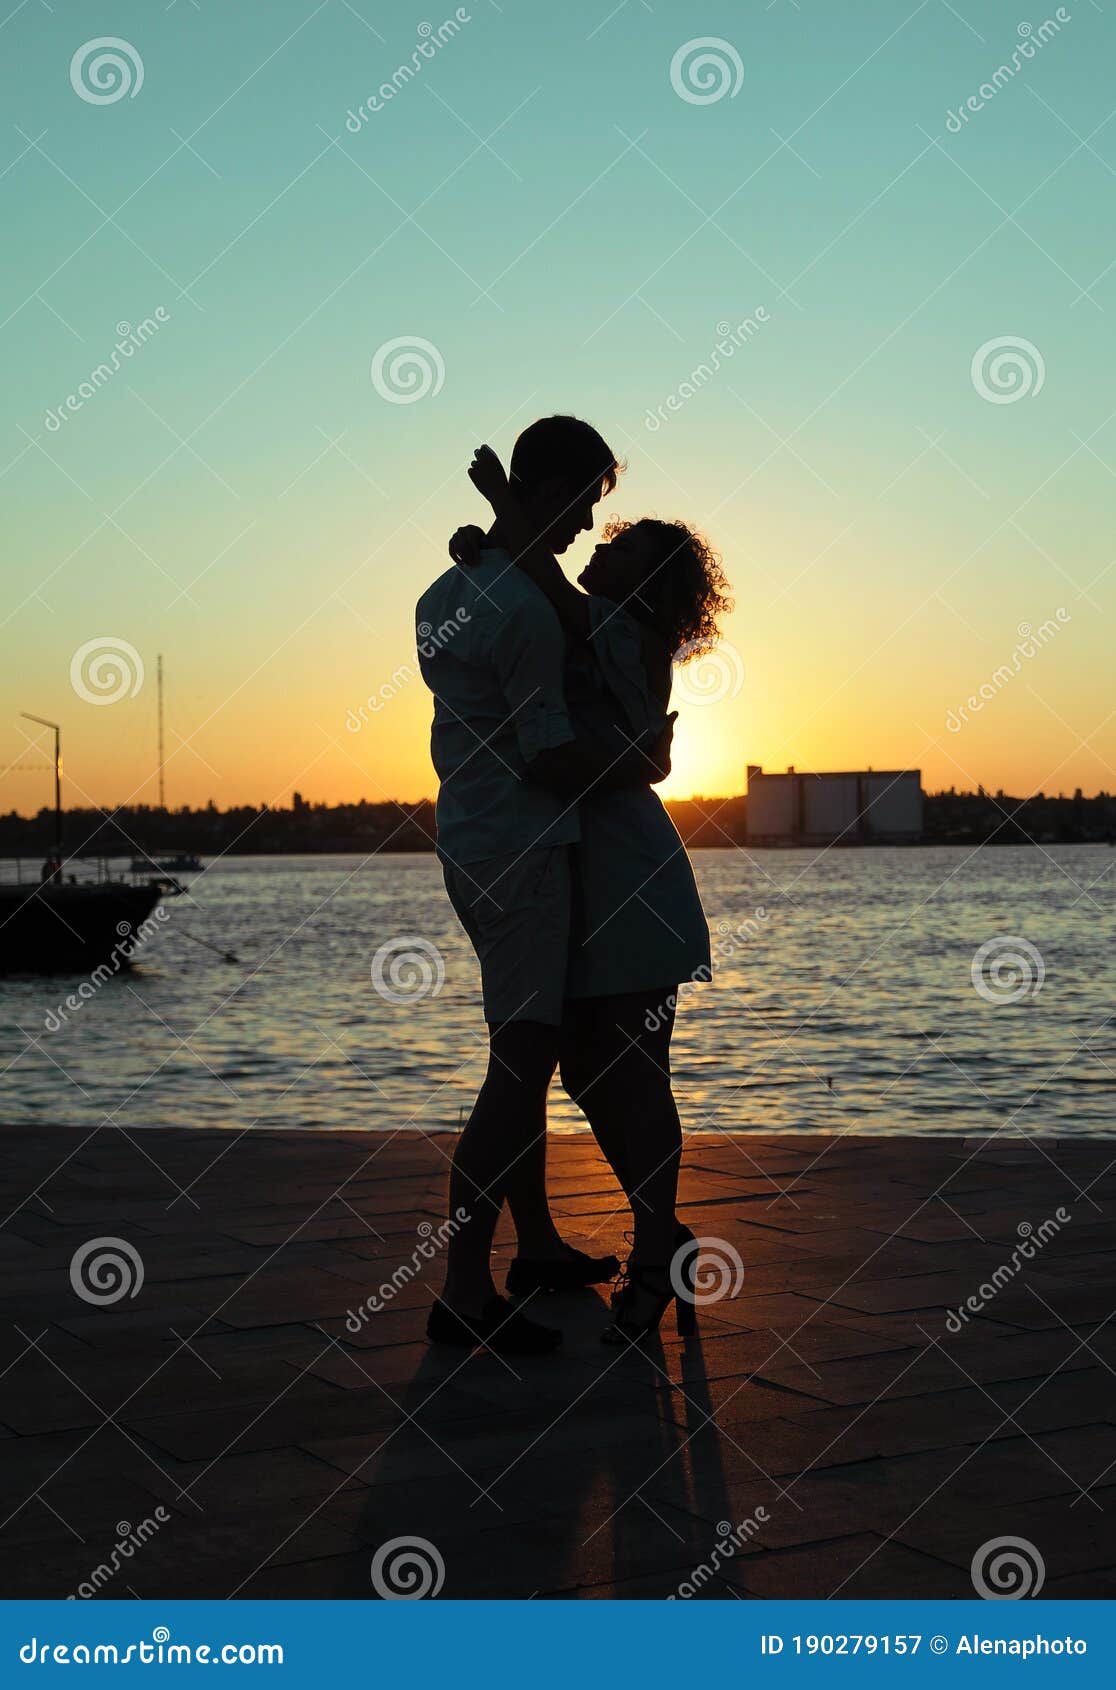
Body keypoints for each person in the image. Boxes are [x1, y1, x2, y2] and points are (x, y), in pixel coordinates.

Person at [456, 444, 731, 1343]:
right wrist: (493, 539)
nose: (603, 546)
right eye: (610, 534)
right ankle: (662, 1239)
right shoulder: (604, 620)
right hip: (598, 867)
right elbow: (542, 588)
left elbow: (550, 592)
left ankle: (658, 1252)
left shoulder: (618, 627)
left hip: (626, 876)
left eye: (628, 545)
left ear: (653, 582)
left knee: (627, 1071)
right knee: (589, 1067)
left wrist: (500, 509)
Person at [415, 416, 673, 1355]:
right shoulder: (524, 608)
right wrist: (638, 763)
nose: (583, 533)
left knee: (525, 1062)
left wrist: (492, 524)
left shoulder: (451, 587)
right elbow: (550, 754)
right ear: (558, 489)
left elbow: (542, 586)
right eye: (586, 506)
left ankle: (531, 1250)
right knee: (520, 1069)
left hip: (474, 841)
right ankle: (463, 1294)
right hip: (527, 848)